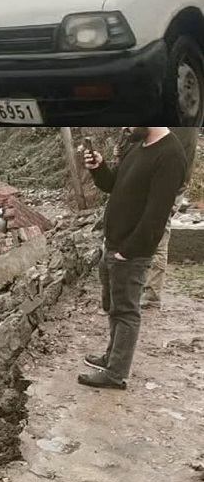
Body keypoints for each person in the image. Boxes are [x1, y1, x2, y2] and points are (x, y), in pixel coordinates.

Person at [81, 127, 186, 390]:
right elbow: (112, 185)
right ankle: (111, 358)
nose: (127, 126)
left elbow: (156, 216)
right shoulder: (138, 145)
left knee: (126, 312)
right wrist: (98, 168)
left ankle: (116, 374)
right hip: (114, 244)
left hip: (130, 252)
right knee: (114, 307)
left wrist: (127, 252)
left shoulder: (170, 156)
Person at [114, 127, 199, 309]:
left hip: (168, 175)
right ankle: (142, 286)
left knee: (159, 226)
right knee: (153, 224)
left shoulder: (172, 133)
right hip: (162, 173)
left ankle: (151, 291)